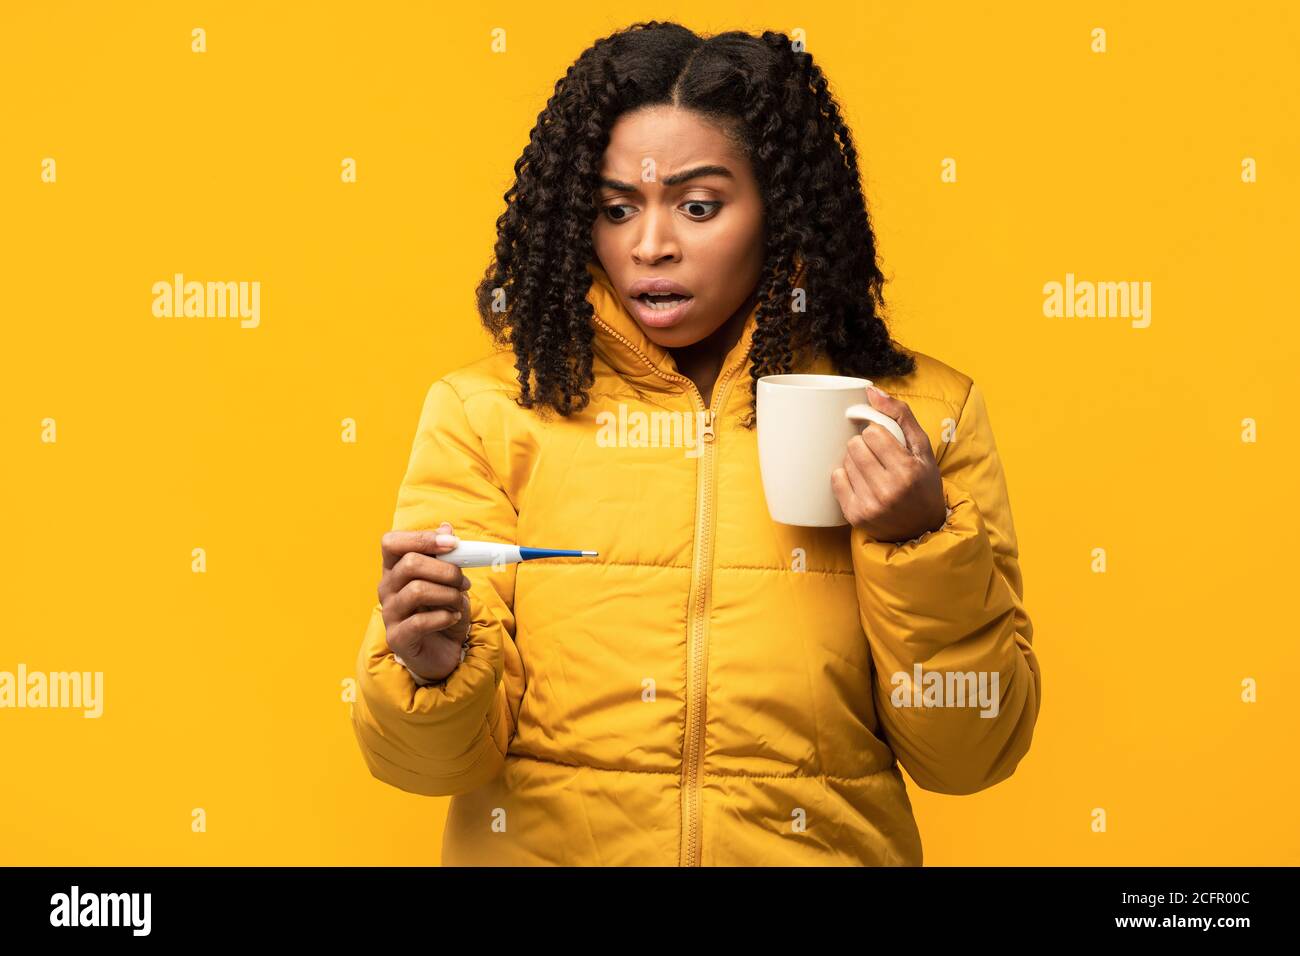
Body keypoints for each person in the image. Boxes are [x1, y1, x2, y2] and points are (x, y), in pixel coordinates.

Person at [351, 21, 1041, 866]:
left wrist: (922, 541)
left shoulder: (919, 414)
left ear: (778, 209)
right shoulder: (488, 411)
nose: (650, 245)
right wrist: (430, 668)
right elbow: (423, 766)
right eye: (616, 209)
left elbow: (970, 757)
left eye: (698, 205)